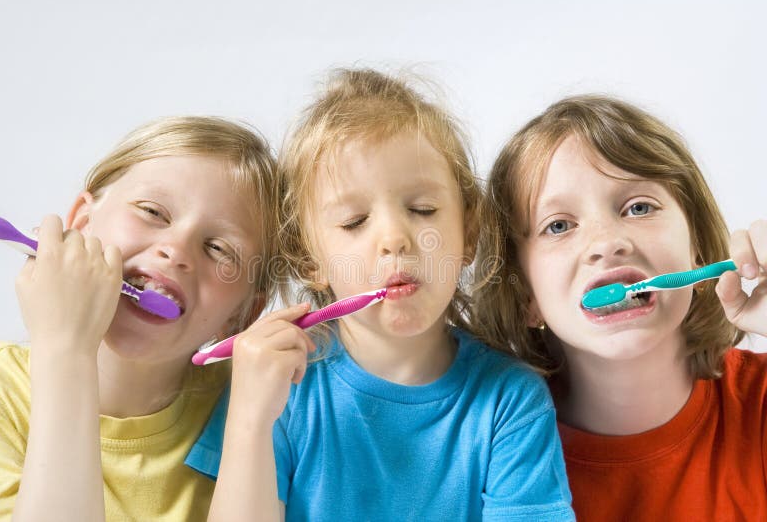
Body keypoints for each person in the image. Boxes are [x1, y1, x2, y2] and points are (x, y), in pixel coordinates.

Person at [186, 69, 575, 521]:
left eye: (422, 210)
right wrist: (251, 419)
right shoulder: (279, 389)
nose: (395, 238)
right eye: (354, 222)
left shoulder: (510, 400)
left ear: (468, 233)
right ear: (308, 258)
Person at [0, 116, 279, 521]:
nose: (176, 250)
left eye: (218, 248)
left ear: (241, 315)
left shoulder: (263, 412)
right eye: (152, 212)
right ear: (81, 223)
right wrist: (65, 347)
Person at [473, 94, 767, 520]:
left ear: (698, 251)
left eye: (639, 207)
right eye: (558, 226)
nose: (607, 242)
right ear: (526, 298)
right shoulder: (500, 456)